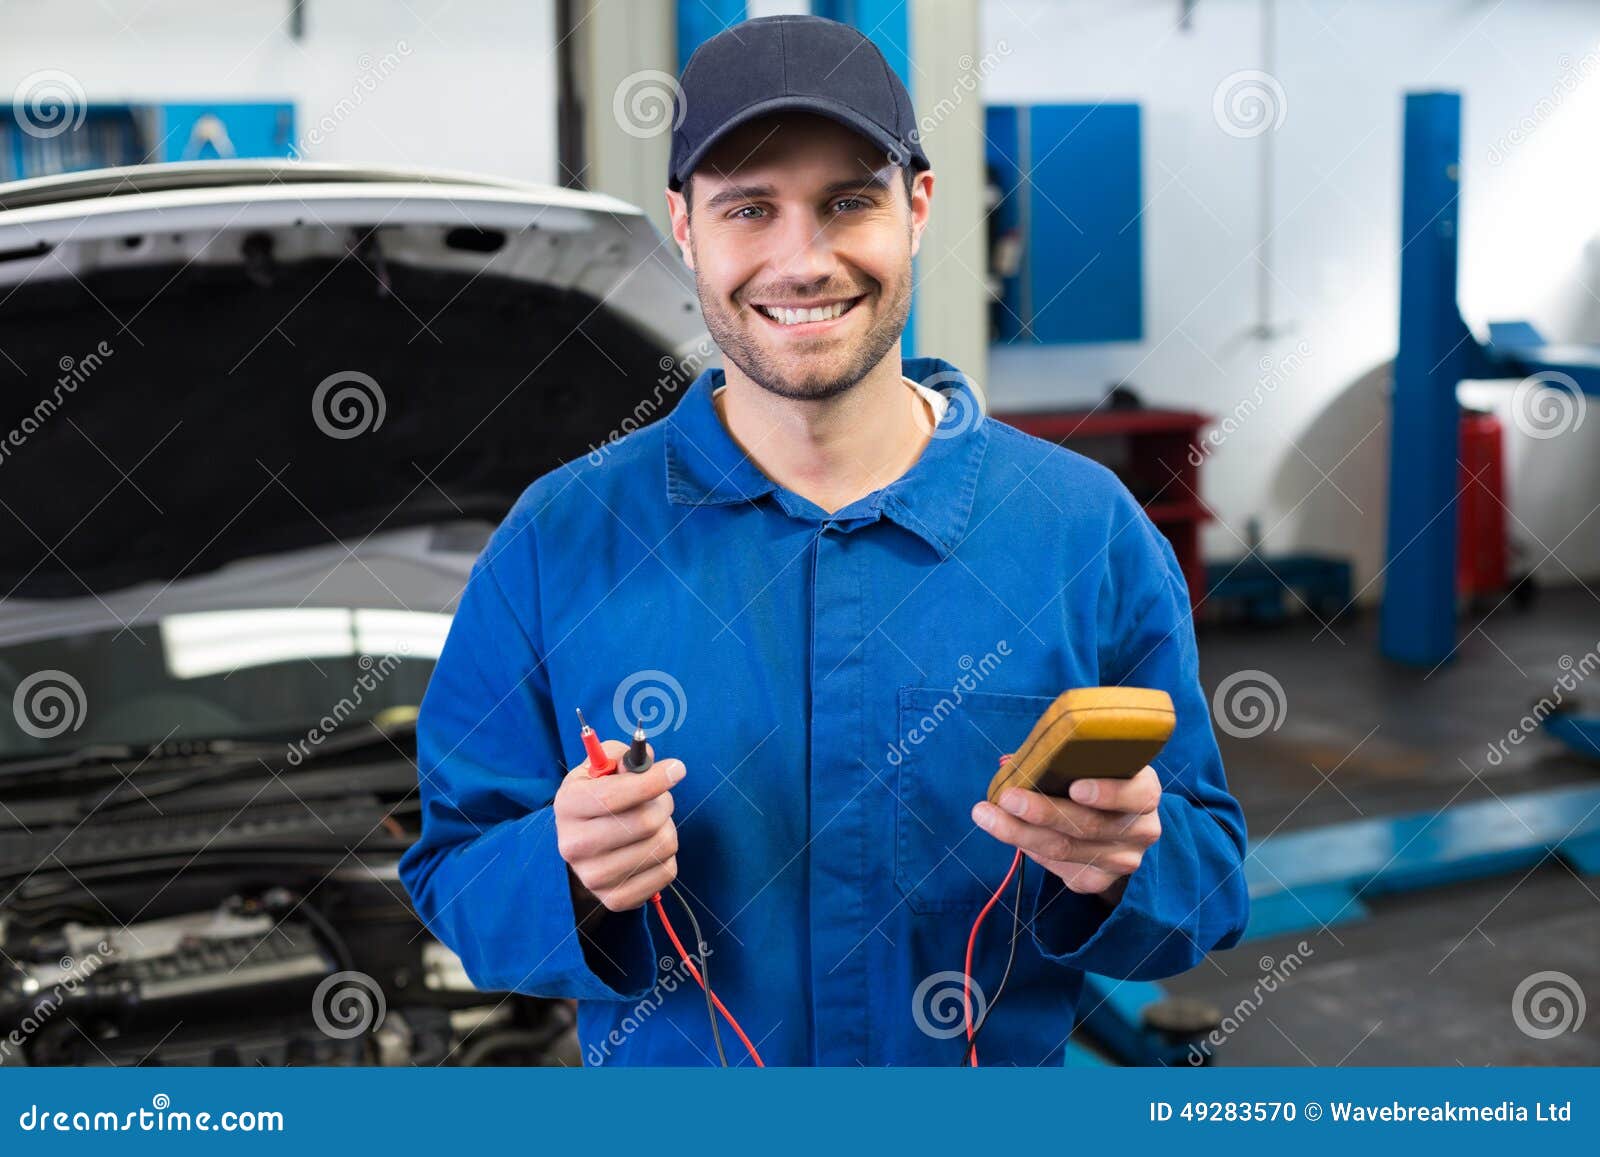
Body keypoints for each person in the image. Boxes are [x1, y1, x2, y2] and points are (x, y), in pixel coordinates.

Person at [398, 13, 1248, 1066]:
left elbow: (1208, 880)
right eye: (750, 208)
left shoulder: (1084, 533)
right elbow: (452, 873)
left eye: (849, 202)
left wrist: (1124, 865)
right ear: (685, 225)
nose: (803, 259)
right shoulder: (557, 541)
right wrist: (561, 868)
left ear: (918, 209)